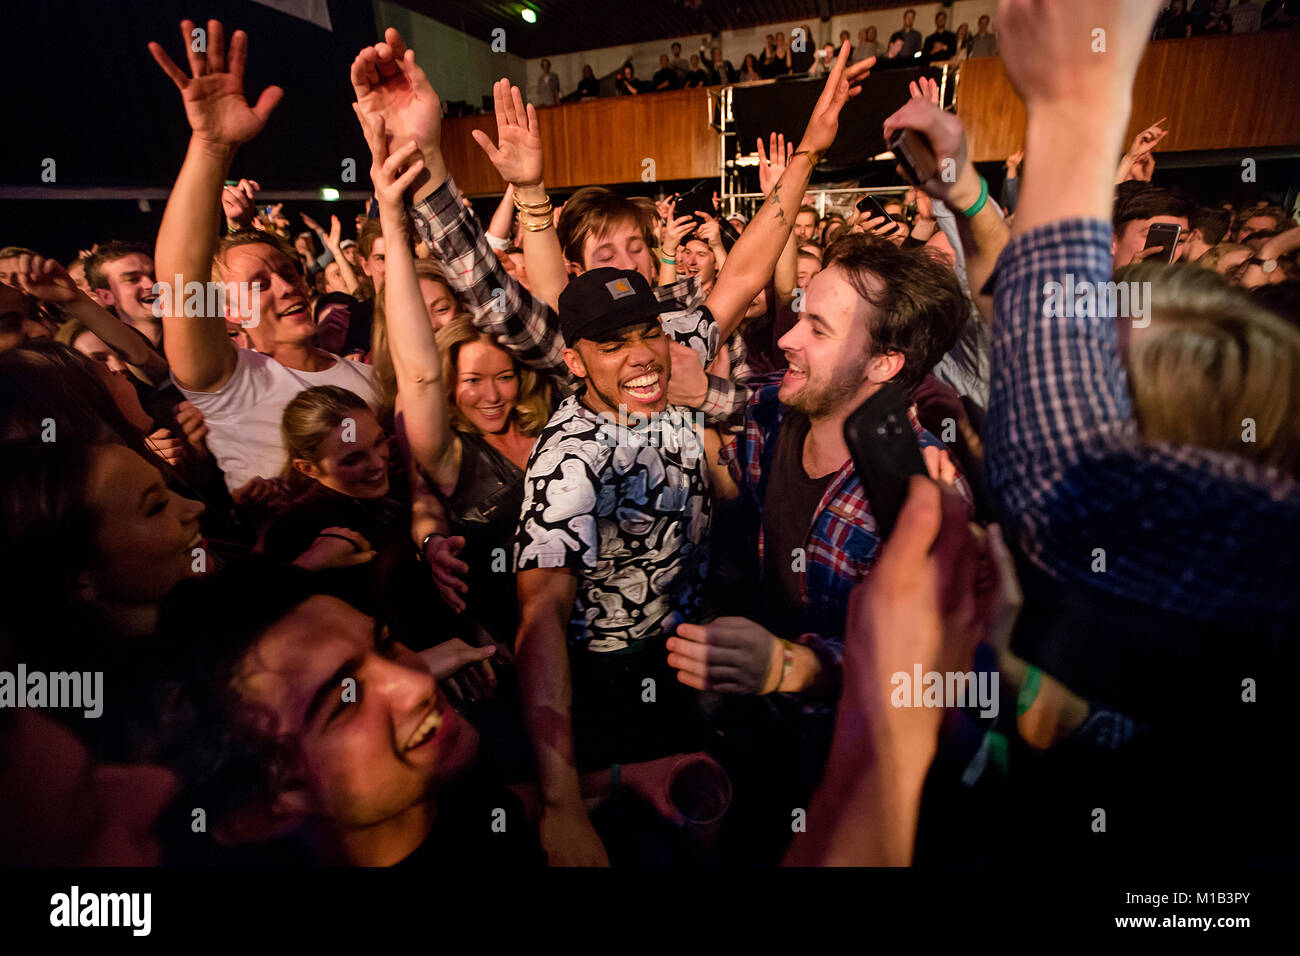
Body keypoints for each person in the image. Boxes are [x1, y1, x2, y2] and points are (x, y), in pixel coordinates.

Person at [157, 560, 534, 866]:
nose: (418, 685)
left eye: (385, 645)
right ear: (260, 812)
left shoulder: (439, 785)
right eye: (344, 702)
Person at [147, 21, 380, 492]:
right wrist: (212, 148)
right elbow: (181, 285)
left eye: (289, 272)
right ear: (228, 311)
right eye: (259, 283)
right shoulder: (229, 381)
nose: (287, 286)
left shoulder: (368, 376)